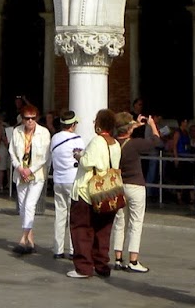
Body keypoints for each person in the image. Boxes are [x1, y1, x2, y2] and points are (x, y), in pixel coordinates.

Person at [69, 108, 122, 281]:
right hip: (109, 194)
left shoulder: (97, 141)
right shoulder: (115, 143)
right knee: (103, 231)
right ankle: (101, 264)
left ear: (99, 125)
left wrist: (78, 155)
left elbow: (87, 162)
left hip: (89, 193)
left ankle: (84, 267)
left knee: (82, 229)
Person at [111, 110, 155, 272]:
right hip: (135, 185)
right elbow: (156, 141)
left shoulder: (113, 142)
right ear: (129, 128)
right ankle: (133, 261)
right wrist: (152, 125)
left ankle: (117, 258)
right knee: (135, 223)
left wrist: (133, 125)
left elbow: (124, 131)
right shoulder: (135, 144)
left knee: (119, 222)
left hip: (118, 185)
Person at [8, 99, 50, 255]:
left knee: (30, 205)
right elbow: (12, 151)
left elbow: (45, 156)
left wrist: (30, 169)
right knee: (22, 205)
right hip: (20, 173)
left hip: (36, 174)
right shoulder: (17, 131)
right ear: (22, 118)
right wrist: (19, 168)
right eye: (27, 118)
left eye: (33, 118)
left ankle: (23, 239)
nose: (30, 121)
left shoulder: (44, 132)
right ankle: (30, 240)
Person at [50, 110, 85, 260]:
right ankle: (72, 249)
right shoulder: (78, 139)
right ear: (72, 125)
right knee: (74, 217)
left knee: (60, 215)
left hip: (58, 179)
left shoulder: (55, 138)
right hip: (73, 180)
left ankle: (58, 249)